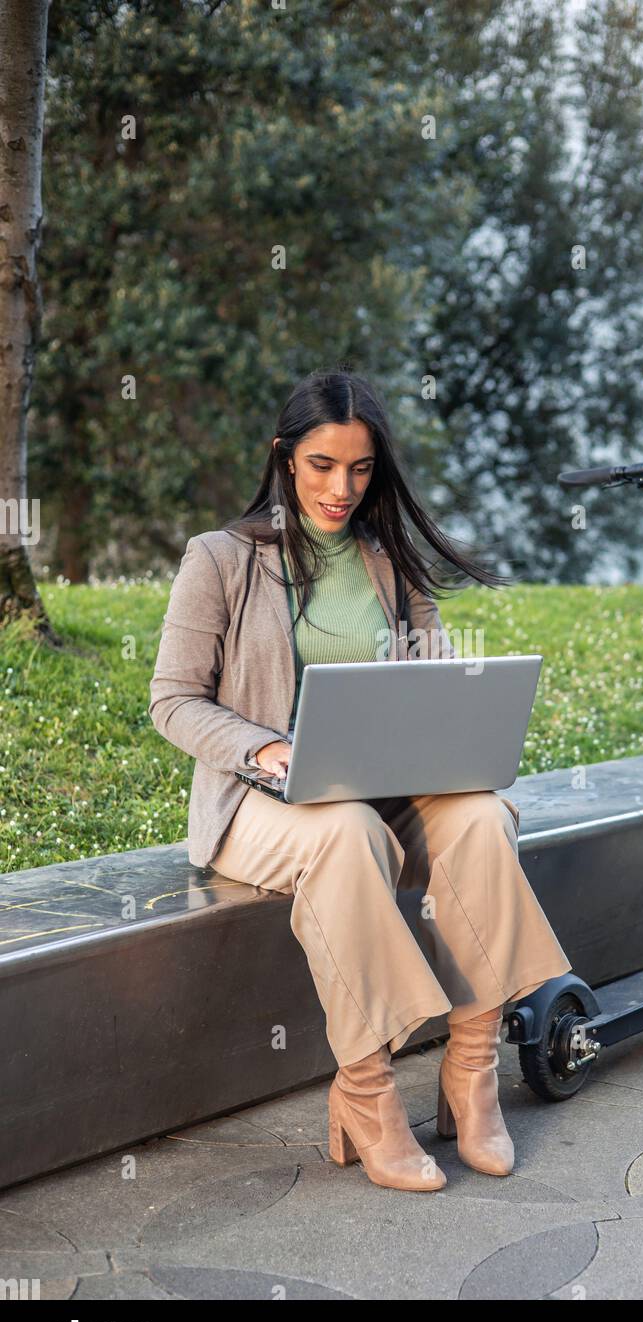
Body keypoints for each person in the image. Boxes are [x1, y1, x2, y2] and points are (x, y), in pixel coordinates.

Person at [148, 367, 573, 1194]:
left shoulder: (390, 561)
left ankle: (472, 1071)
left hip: (387, 789)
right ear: (283, 458)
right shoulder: (220, 560)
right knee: (343, 834)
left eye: (360, 468)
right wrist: (268, 750)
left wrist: (453, 733)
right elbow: (172, 701)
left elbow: (434, 685)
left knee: (482, 815)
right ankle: (367, 1094)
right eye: (321, 466)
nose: (341, 488)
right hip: (264, 802)